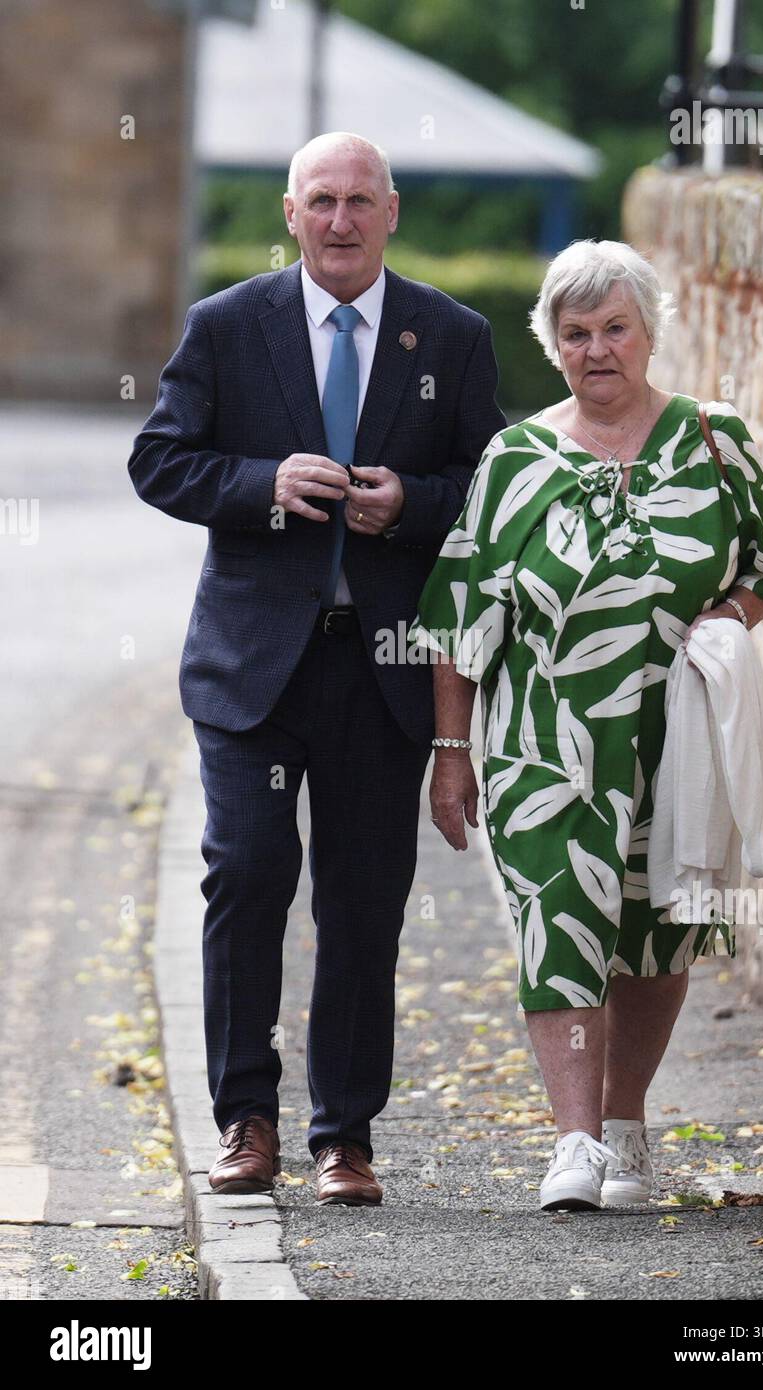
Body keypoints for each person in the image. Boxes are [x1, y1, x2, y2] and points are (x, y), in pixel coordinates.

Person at [127, 132, 505, 1204]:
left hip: (381, 670)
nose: (340, 222)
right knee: (245, 877)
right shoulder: (226, 325)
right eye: (320, 202)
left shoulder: (457, 337)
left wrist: (412, 507)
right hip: (253, 670)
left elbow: (493, 477)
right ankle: (245, 1118)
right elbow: (158, 458)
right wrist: (258, 482)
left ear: (391, 213)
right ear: (290, 215)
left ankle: (346, 1137)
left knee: (365, 902)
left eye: (359, 202)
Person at [407, 238, 763, 1213]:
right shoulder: (517, 461)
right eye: (574, 333)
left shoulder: (715, 439)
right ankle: (572, 1141)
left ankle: (626, 1128)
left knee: (660, 934)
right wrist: (451, 755)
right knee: (559, 924)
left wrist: (725, 623)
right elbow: (457, 622)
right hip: (548, 741)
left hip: (683, 739)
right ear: (551, 345)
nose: (596, 349)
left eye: (613, 327)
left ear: (648, 330)